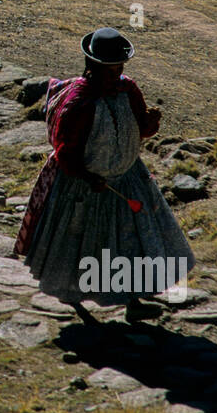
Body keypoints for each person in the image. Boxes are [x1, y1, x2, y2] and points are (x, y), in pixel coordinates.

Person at [14, 27, 196, 323]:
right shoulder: (78, 104)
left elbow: (140, 130)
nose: (119, 72)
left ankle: (133, 302)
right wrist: (87, 178)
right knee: (83, 244)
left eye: (120, 66)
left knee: (132, 244)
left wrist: (151, 122)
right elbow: (65, 152)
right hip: (86, 188)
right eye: (112, 67)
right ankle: (71, 294)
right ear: (93, 66)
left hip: (128, 180)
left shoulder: (127, 89)